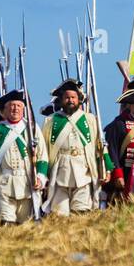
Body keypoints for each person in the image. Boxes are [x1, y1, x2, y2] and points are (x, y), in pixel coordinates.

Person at [0, 89, 48, 224]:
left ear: (23, 109)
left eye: (18, 106)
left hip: (27, 183)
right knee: (6, 224)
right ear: (5, 110)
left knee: (26, 225)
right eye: (11, 106)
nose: (15, 109)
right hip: (4, 183)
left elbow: (42, 158)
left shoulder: (32, 128)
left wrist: (40, 177)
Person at [43, 79, 106, 216]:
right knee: (59, 214)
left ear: (79, 99)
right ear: (61, 100)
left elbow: (99, 145)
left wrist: (106, 168)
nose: (70, 100)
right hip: (59, 171)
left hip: (83, 170)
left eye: (73, 97)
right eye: (67, 98)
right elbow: (43, 149)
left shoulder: (90, 119)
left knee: (81, 212)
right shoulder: (51, 120)